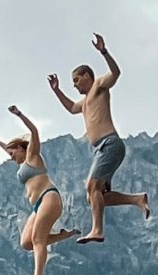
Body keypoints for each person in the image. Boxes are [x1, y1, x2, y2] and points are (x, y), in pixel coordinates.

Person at [48, 33, 149, 244]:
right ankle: (137, 199)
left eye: (76, 80)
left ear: (87, 76)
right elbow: (70, 108)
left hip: (109, 144)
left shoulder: (99, 86)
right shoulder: (84, 103)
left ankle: (97, 230)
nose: (74, 85)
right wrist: (57, 91)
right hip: (101, 149)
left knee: (91, 187)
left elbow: (116, 72)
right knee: (95, 195)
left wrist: (104, 51)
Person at [0, 105, 77, 275]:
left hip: (49, 197)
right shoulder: (21, 161)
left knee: (38, 238)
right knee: (26, 243)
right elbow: (9, 149)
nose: (11, 158)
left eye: (13, 154)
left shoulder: (33, 155)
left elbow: (34, 131)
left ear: (22, 148)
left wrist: (19, 114)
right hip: (37, 206)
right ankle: (62, 236)